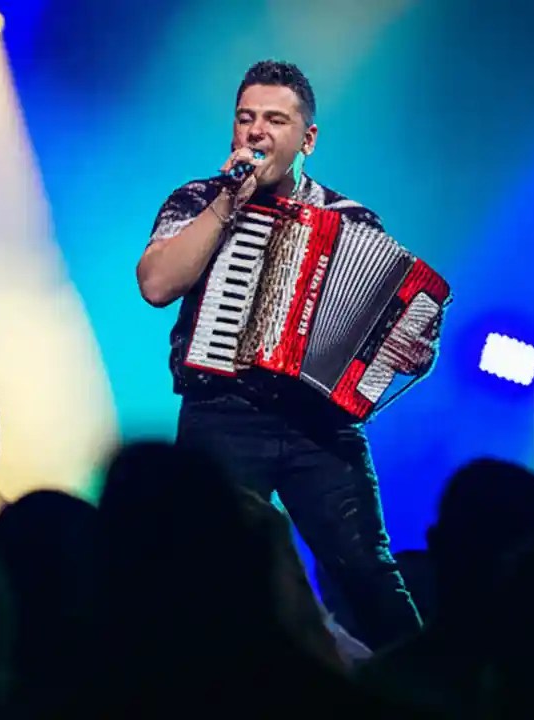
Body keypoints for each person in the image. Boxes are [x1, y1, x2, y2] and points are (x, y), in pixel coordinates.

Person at [136, 59, 427, 649]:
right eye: (245, 118)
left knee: (367, 573)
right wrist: (228, 203)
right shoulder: (197, 199)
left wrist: (409, 351)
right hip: (222, 412)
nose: (256, 131)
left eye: (274, 119)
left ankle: (427, 687)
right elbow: (157, 285)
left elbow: (388, 326)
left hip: (318, 425)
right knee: (202, 574)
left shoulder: (350, 221)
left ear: (307, 139)